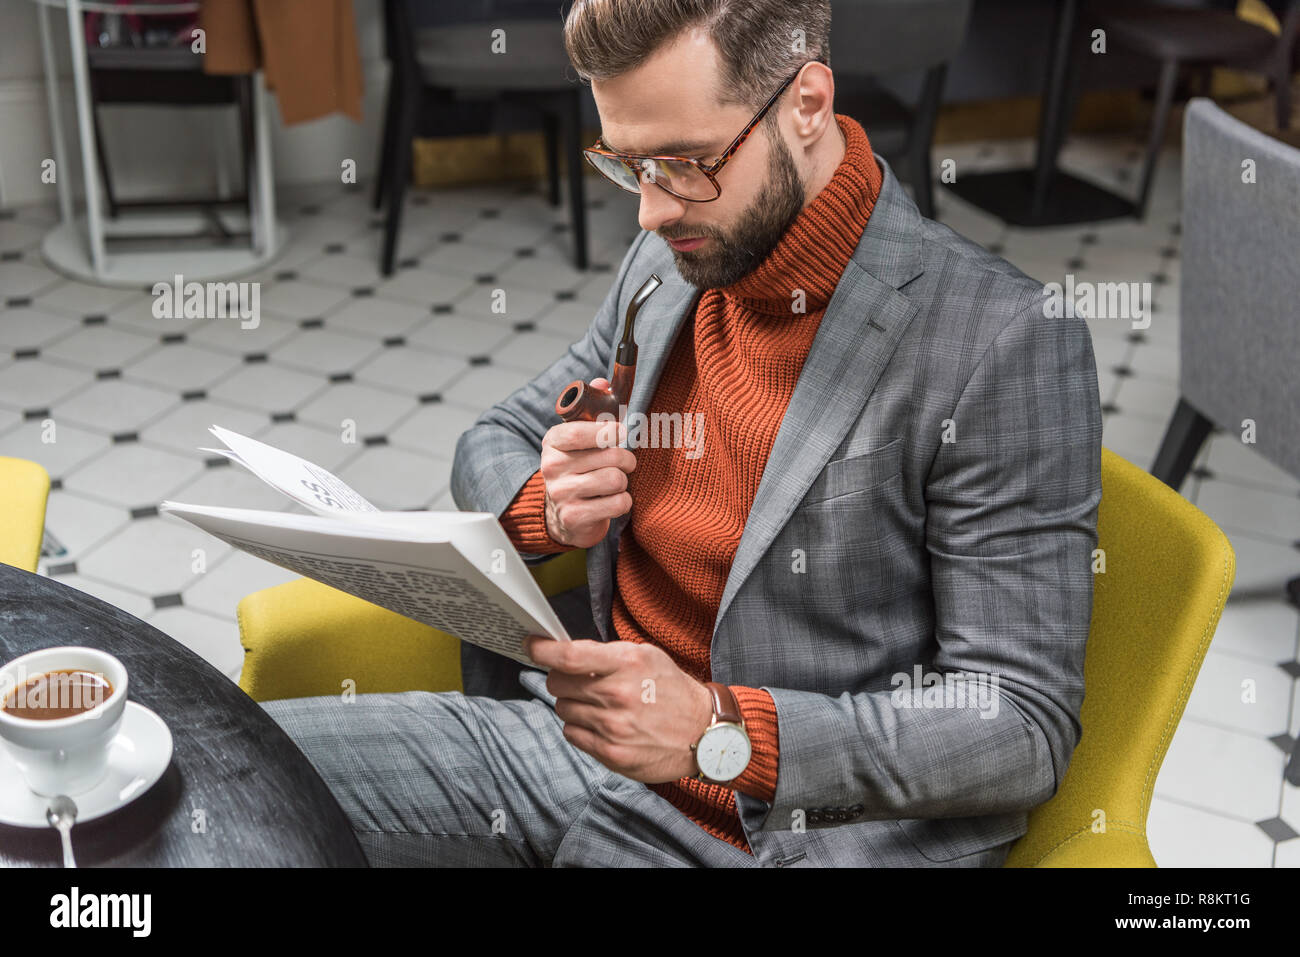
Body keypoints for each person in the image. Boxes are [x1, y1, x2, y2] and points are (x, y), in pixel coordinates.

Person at [262, 0, 1102, 867]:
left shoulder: (1000, 340)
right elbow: (496, 432)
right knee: (207, 773)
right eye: (628, 167)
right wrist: (544, 505)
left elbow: (1018, 722)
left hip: (783, 831)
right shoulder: (674, 259)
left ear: (807, 103)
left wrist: (718, 729)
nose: (650, 214)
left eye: (684, 163)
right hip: (569, 752)